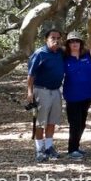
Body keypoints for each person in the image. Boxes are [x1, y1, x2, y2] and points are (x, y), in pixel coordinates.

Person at [25, 28, 66, 162]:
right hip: (41, 90)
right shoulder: (40, 54)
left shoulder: (60, 53)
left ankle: (49, 147)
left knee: (52, 121)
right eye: (52, 38)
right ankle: (39, 149)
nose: (55, 40)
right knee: (40, 122)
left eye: (58, 38)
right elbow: (31, 75)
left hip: (56, 91)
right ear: (46, 39)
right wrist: (30, 92)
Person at [62, 31, 91, 159]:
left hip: (87, 94)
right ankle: (71, 149)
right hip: (72, 96)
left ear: (81, 43)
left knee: (82, 123)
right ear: (68, 44)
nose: (75, 43)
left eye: (77, 41)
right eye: (72, 41)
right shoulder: (64, 57)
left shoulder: (88, 55)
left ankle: (76, 147)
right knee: (75, 123)